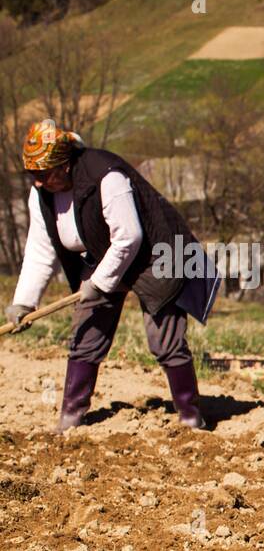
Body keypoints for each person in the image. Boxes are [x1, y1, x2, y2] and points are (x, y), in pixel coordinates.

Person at [5, 119, 219, 432]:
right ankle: (71, 416)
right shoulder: (42, 196)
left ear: (65, 164)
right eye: (32, 175)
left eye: (44, 174)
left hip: (157, 254)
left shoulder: (105, 174)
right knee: (86, 334)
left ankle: (190, 415)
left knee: (164, 341)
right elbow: (40, 250)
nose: (38, 182)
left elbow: (129, 237)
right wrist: (24, 302)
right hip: (105, 256)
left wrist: (99, 282)